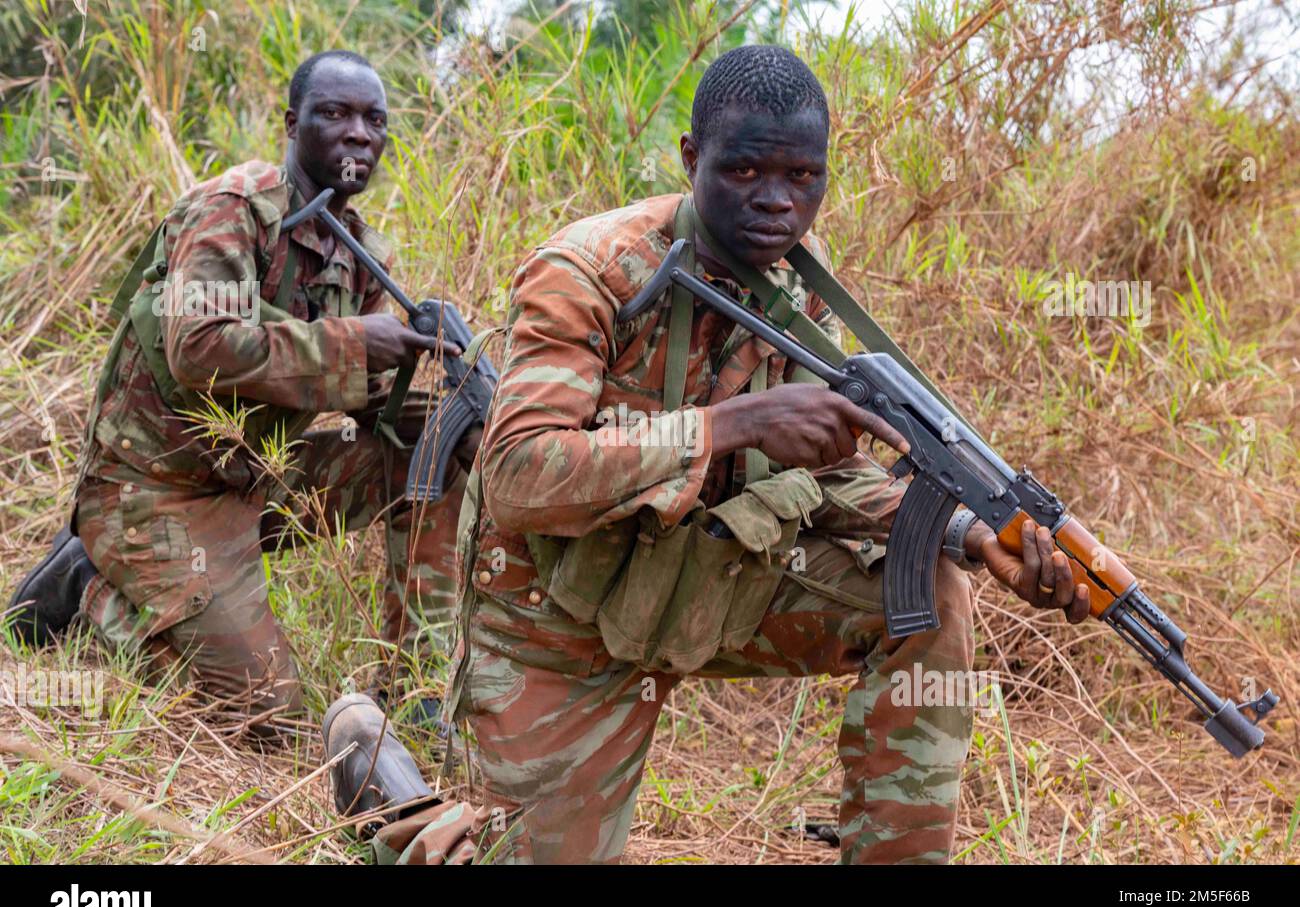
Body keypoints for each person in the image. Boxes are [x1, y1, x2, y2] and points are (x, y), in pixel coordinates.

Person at [441, 44, 1091, 863]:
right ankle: (394, 797)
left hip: (710, 581)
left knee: (930, 586)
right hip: (558, 615)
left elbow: (825, 473)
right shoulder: (588, 271)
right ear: (691, 158)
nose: (779, 204)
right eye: (747, 173)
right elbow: (516, 477)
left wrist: (970, 533)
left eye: (803, 177)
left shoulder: (798, 292)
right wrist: (731, 426)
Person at [6, 50, 476, 738]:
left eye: (375, 120)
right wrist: (354, 340)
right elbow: (200, 347)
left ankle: (415, 689)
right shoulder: (232, 211)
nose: (359, 135)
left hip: (253, 481)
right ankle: (93, 593)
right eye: (335, 114)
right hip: (151, 492)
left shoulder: (355, 253)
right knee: (268, 716)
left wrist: (458, 396)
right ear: (292, 124)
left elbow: (366, 396)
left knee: (434, 449)